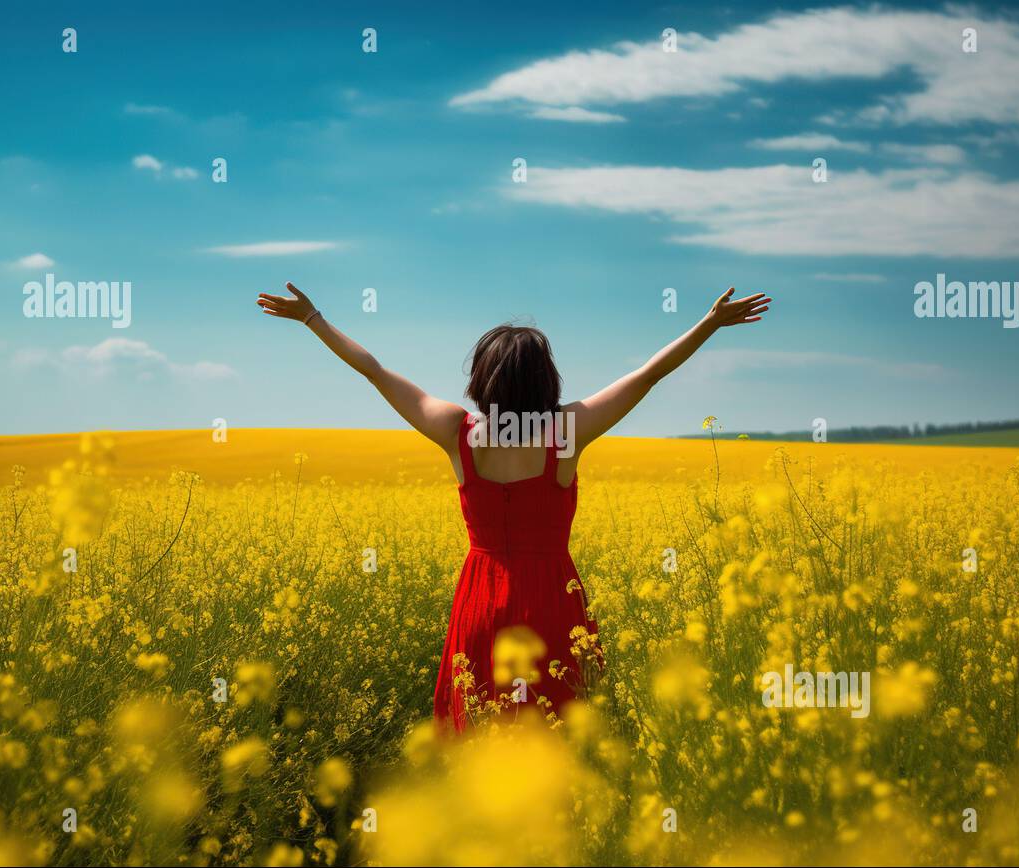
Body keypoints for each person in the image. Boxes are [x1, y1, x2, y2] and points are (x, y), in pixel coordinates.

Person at [256, 284, 771, 731]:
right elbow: (647, 376)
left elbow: (375, 370)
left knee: (480, 730)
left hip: (480, 598)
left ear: (483, 378)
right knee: (556, 730)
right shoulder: (566, 432)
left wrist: (311, 319)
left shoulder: (455, 430)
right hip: (552, 597)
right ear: (546, 379)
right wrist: (710, 324)